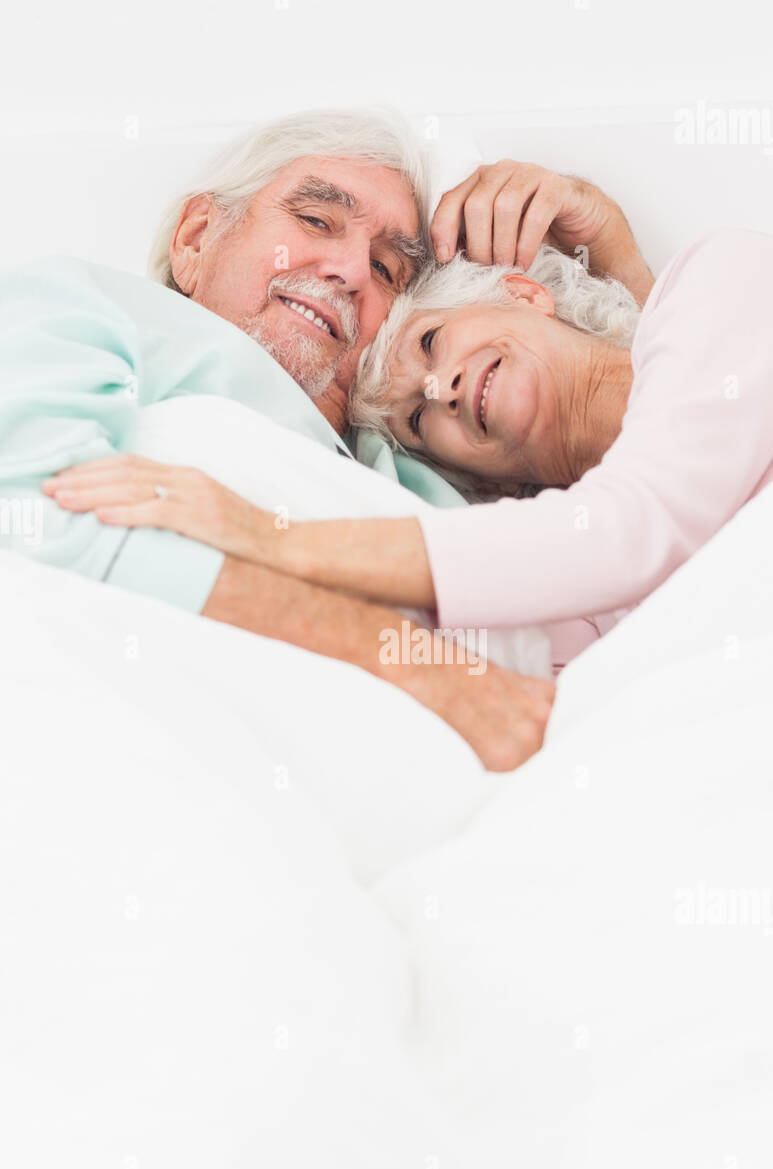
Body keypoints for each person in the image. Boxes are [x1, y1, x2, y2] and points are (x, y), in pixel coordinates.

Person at [2, 110, 651, 766]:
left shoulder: (431, 444)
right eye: (315, 221)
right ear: (196, 238)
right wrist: (419, 668)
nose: (350, 270)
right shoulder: (83, 307)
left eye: (389, 268)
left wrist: (617, 257)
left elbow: (674, 496)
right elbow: (27, 511)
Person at [61, 226, 773, 677]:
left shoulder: (728, 278)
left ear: (520, 294)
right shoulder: (568, 597)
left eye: (433, 342)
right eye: (417, 420)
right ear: (479, 479)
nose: (440, 389)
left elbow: (640, 523)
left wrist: (274, 537)